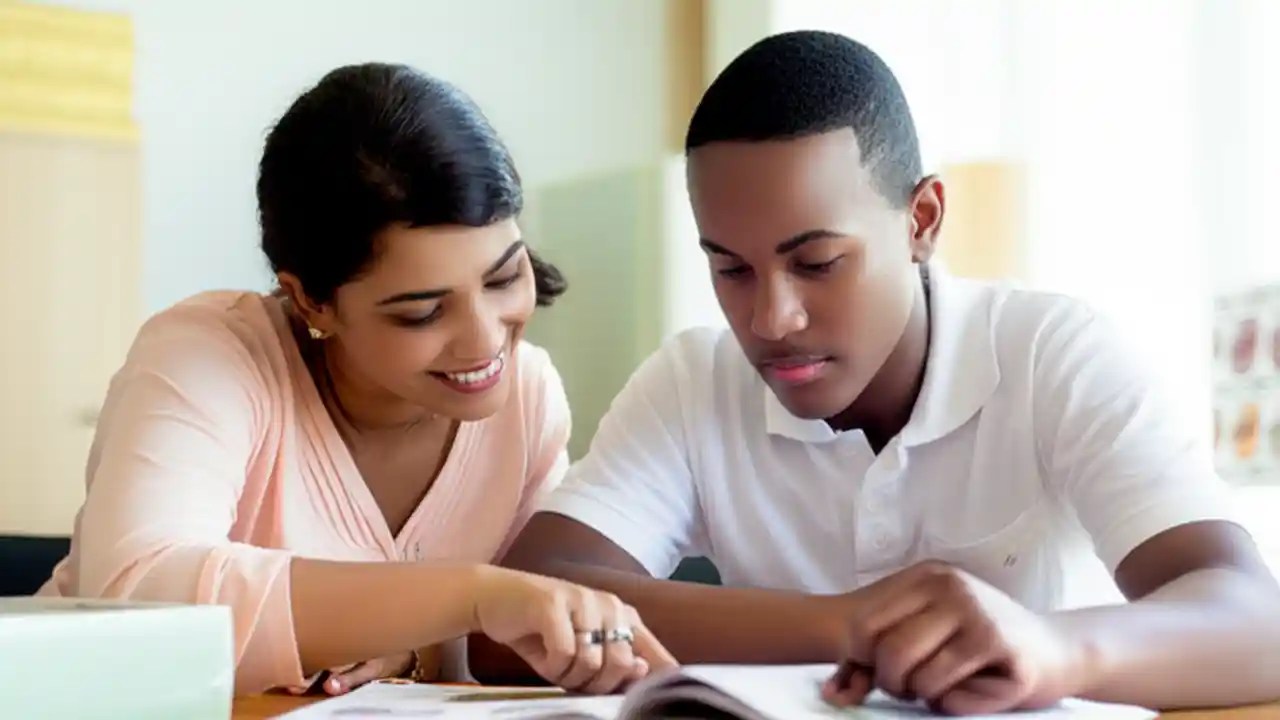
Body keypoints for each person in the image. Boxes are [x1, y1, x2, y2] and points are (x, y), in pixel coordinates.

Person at [482, 31, 1280, 715]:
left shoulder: (1053, 352)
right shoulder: (696, 379)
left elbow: (1254, 618)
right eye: (731, 270)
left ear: (922, 220)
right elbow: (510, 617)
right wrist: (849, 624)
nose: (771, 319)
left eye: (818, 262)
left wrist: (1053, 650)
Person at [39, 63, 673, 696]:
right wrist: (469, 595)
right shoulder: (208, 355)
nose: (485, 340)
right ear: (311, 300)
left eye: (505, 278)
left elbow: (512, 632)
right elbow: (139, 593)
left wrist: (419, 646)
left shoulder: (528, 398)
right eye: (422, 312)